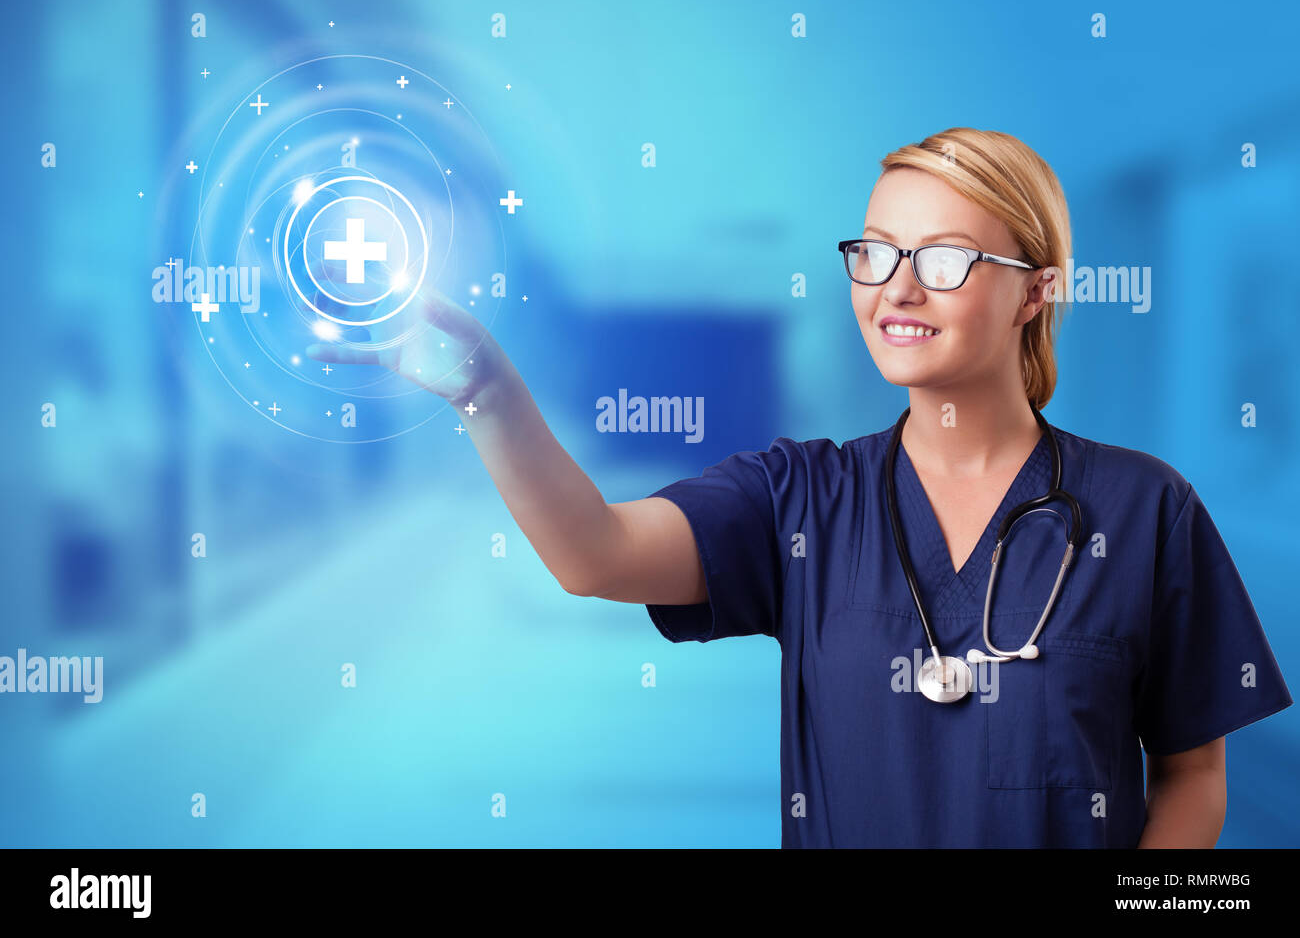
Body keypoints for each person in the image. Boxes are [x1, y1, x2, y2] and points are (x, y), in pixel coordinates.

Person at [308, 127, 1293, 848]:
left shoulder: (1142, 509)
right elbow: (592, 552)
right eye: (875, 252)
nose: (896, 288)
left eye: (944, 258)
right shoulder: (799, 500)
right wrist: (485, 390)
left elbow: (1191, 774)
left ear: (1035, 288)